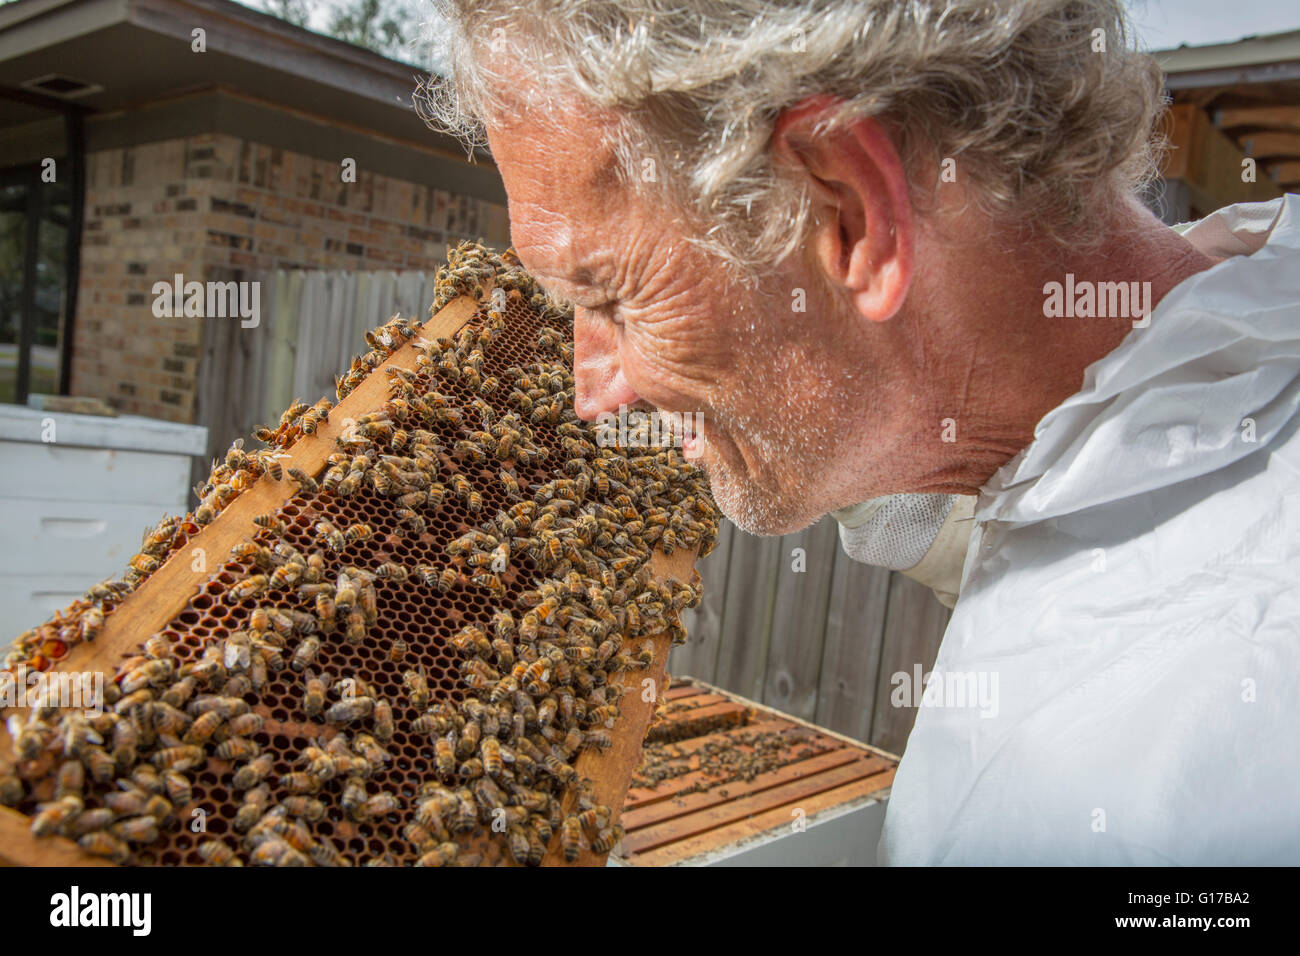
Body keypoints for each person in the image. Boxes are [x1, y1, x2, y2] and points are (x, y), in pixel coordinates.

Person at [423, 1, 1300, 864]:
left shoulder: (1209, 784)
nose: (594, 393)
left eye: (610, 297)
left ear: (852, 211)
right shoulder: (1185, 365)